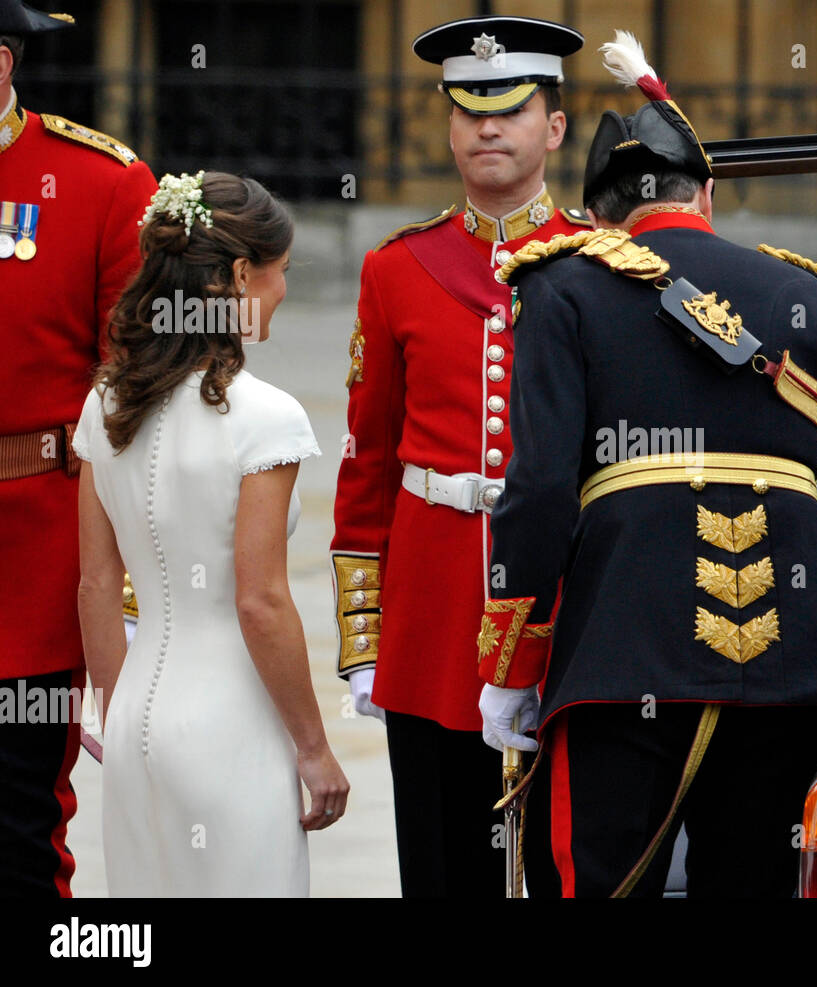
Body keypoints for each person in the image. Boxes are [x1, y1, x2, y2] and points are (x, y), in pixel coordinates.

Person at [473, 31, 817, 898]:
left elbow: (541, 494)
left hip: (622, 668)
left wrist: (511, 668)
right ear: (707, 194)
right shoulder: (811, 299)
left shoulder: (560, 289)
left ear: (596, 217)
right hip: (789, 672)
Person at [329, 14, 590, 898]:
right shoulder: (398, 268)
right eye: (470, 110)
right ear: (448, 126)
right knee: (442, 861)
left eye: (511, 110)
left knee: (566, 852)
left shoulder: (602, 262)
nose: (488, 127)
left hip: (567, 604)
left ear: (553, 127)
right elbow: (365, 460)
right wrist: (364, 635)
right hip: (434, 611)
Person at [73, 171, 349, 896]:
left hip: (134, 718)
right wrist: (315, 748)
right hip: (232, 724)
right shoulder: (268, 417)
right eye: (280, 271)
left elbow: (97, 585)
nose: (285, 291)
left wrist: (117, 708)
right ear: (235, 274)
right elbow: (259, 601)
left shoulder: (103, 405)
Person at [0, 1, 157, 897]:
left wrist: (128, 579)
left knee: (19, 819)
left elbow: (139, 395)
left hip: (32, 558)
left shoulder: (97, 182)